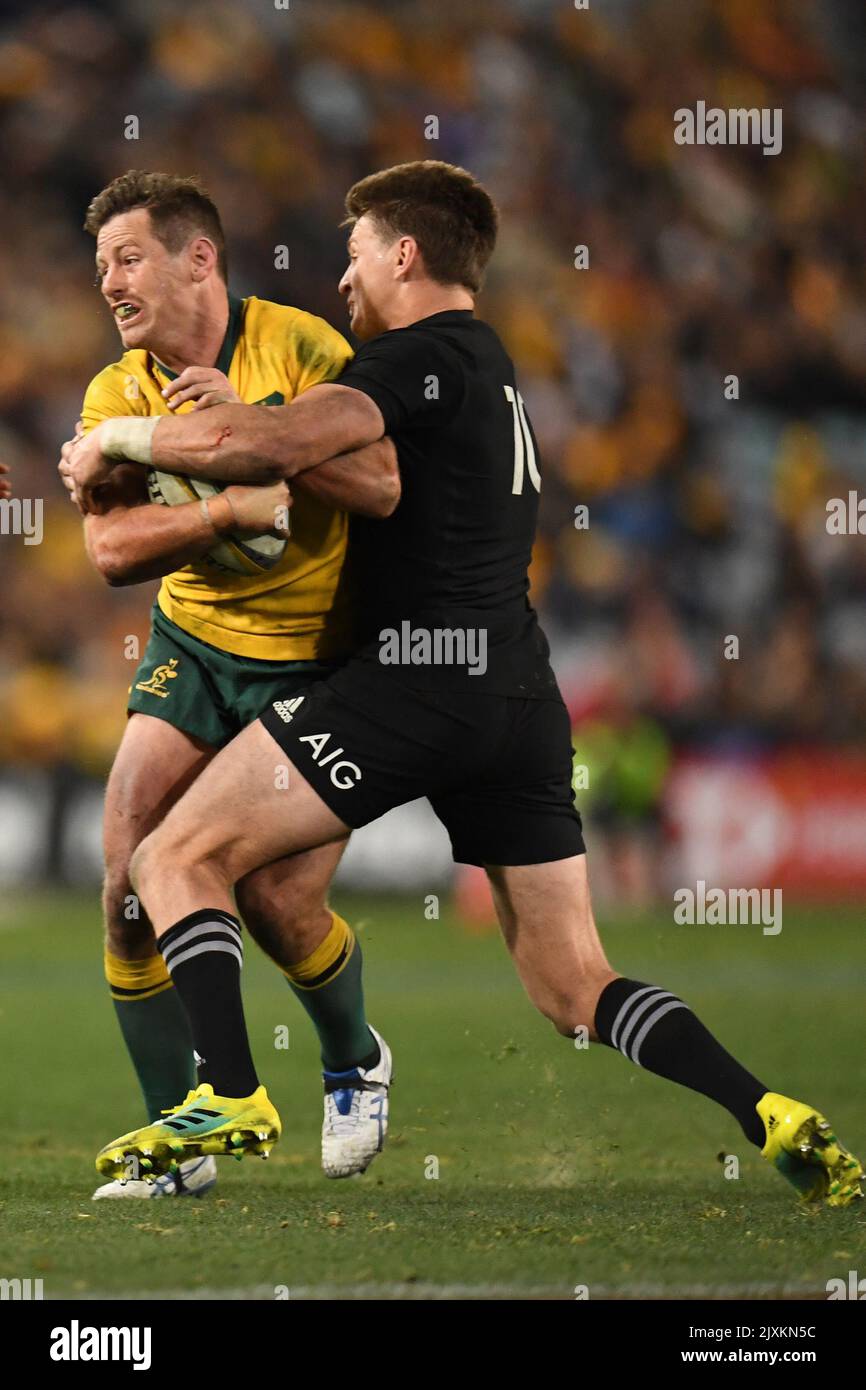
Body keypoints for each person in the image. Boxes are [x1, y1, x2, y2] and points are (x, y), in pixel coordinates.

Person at [69, 159, 863, 1208]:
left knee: (173, 854)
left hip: (412, 680)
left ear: (403, 253)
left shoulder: (413, 357)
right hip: (520, 697)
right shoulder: (487, 366)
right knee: (574, 985)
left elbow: (262, 437)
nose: (342, 278)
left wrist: (113, 442)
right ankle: (764, 1109)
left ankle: (233, 1095)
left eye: (353, 253)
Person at [60, 170, 399, 1199]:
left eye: (127, 258)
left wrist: (257, 431)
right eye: (100, 265)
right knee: (125, 883)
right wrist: (216, 512)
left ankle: (354, 1058)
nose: (109, 282)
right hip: (198, 647)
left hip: (319, 658)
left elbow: (383, 483)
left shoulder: (299, 347)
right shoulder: (118, 388)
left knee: (279, 903)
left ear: (196, 257)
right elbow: (112, 549)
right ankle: (181, 1141)